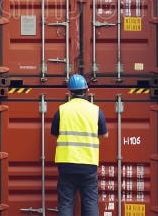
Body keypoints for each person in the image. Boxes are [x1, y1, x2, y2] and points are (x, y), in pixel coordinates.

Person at [50, 74, 108, 216]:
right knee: (90, 203)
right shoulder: (96, 110)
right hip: (88, 164)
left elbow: (54, 133)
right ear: (86, 90)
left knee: (66, 203)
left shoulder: (61, 110)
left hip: (66, 164)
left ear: (70, 92)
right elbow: (105, 135)